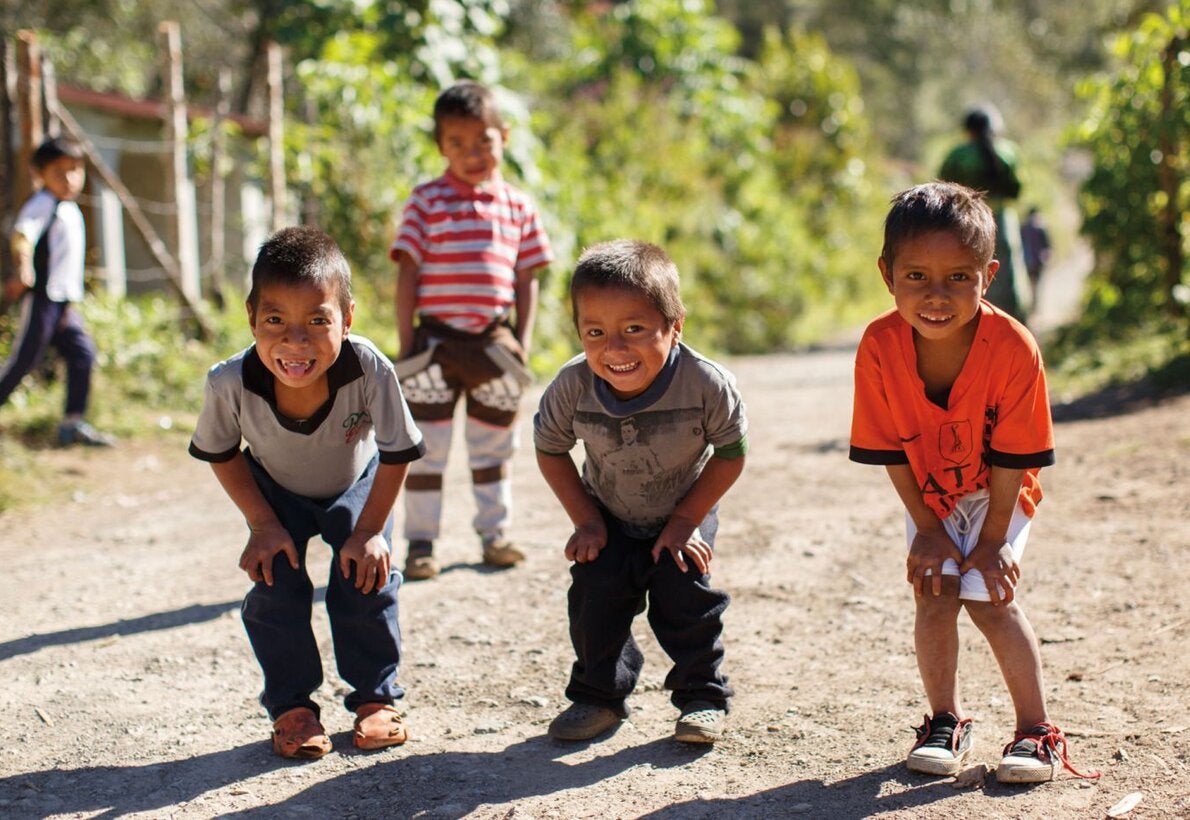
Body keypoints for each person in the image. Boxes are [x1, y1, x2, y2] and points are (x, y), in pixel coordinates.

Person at [849, 182, 1098, 784]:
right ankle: (944, 721)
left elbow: (1015, 457)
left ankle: (1036, 731)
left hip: (1000, 491)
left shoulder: (1013, 348)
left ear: (989, 274)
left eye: (958, 278)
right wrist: (929, 531)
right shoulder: (879, 346)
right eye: (917, 277)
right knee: (935, 594)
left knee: (988, 598)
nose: (936, 296)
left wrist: (991, 542)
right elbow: (889, 450)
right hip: (928, 490)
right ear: (887, 275)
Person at [189, 226, 425, 759]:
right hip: (274, 491)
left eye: (318, 321)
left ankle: (374, 699)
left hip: (357, 484)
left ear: (347, 317)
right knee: (275, 583)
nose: (296, 342)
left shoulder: (368, 368)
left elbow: (396, 453)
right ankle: (292, 707)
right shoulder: (229, 382)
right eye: (276, 321)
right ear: (251, 317)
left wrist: (368, 533)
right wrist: (262, 524)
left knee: (365, 579)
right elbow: (222, 452)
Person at [534, 239, 748, 744]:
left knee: (684, 595)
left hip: (683, 506)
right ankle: (598, 698)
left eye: (634, 329)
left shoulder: (706, 383)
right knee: (596, 596)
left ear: (675, 326)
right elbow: (550, 450)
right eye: (595, 332)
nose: (615, 348)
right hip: (606, 509)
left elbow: (731, 455)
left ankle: (702, 698)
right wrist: (585, 521)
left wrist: (684, 522)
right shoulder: (571, 386)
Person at [391, 79, 553, 581]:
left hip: (494, 344)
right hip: (434, 343)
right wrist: (407, 342)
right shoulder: (425, 201)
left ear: (503, 136)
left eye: (483, 140)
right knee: (426, 449)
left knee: (493, 448)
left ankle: (494, 534)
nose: (473, 153)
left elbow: (527, 279)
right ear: (441, 147)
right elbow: (407, 274)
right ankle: (420, 544)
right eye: (457, 144)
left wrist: (521, 343)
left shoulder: (518, 207)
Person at [1, 136, 113, 446]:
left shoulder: (69, 208)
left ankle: (72, 424)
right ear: (40, 174)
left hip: (64, 303)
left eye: (75, 170)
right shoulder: (42, 205)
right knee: (23, 360)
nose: (69, 178)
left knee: (83, 355)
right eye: (59, 172)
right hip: (43, 299)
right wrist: (23, 267)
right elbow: (23, 235)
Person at [938, 106, 1029, 322]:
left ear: (968, 130)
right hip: (1003, 221)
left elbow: (943, 188)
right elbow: (1017, 189)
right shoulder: (1008, 152)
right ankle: (1012, 321)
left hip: (964, 222)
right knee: (1008, 273)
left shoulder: (958, 155)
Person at [1020, 207, 1052, 299]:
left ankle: (1032, 300)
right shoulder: (1041, 227)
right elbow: (1047, 245)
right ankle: (1034, 300)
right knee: (1036, 282)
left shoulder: (1024, 227)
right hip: (1037, 259)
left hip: (1028, 259)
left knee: (1031, 281)